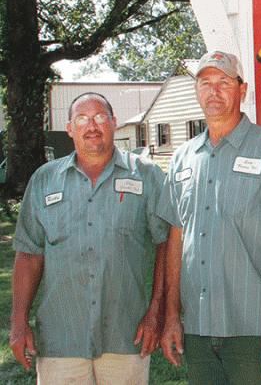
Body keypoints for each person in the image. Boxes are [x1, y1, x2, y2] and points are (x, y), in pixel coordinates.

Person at [159, 51, 261, 384]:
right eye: (205, 83)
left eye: (223, 83)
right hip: (196, 330)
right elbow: (175, 240)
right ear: (197, 91)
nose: (213, 92)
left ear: (241, 91)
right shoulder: (182, 160)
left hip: (253, 329)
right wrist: (171, 316)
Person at [10, 92, 169, 384]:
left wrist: (156, 312)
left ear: (114, 123)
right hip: (60, 339)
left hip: (127, 335)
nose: (92, 126)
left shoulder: (146, 175)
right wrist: (18, 323)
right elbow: (29, 254)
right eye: (82, 119)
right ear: (70, 128)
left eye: (100, 117)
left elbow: (165, 245)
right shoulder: (44, 180)